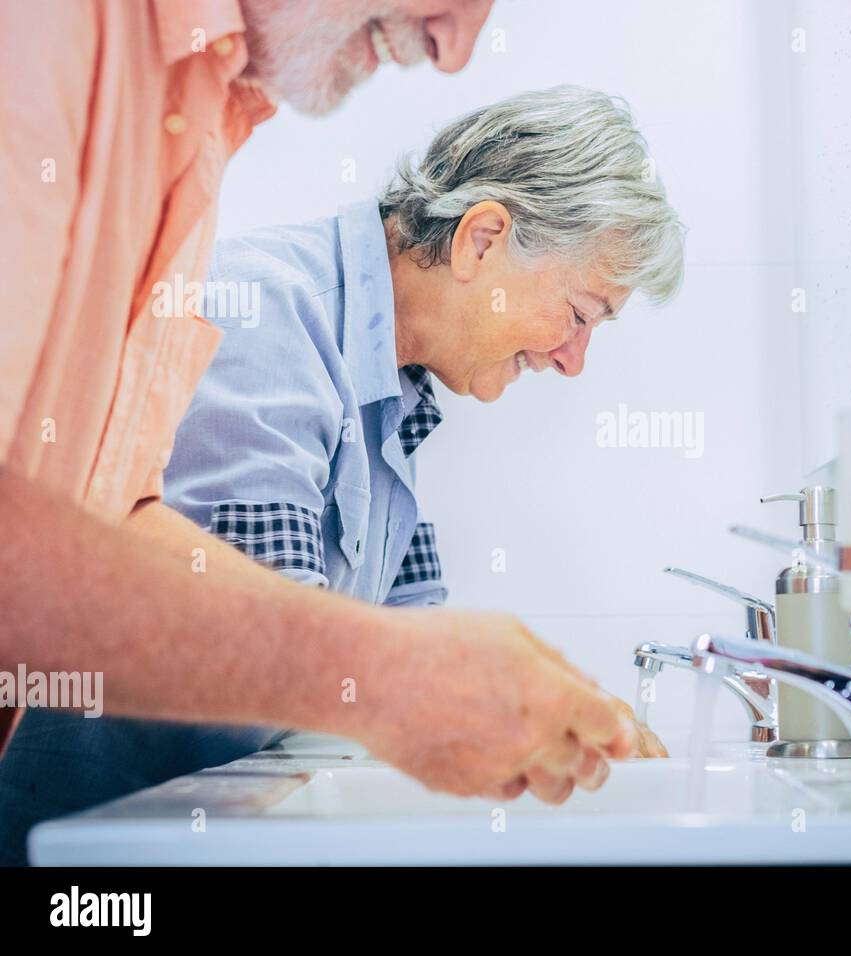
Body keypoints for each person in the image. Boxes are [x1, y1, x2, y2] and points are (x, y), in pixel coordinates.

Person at [0, 0, 640, 864]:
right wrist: (400, 679)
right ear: (482, 240)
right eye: (578, 314)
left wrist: (535, 710)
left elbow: (114, 516)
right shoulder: (268, 313)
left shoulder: (398, 399)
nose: (574, 362)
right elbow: (280, 696)